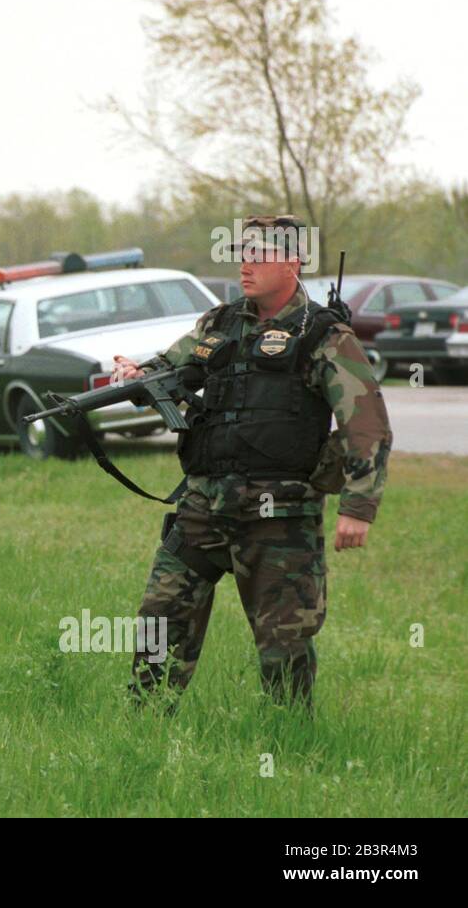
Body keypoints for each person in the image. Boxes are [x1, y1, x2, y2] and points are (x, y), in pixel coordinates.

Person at [112, 215, 391, 711]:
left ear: (292, 262)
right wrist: (137, 374)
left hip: (279, 517)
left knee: (283, 645)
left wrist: (358, 507)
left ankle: (287, 741)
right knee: (160, 618)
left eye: (259, 256)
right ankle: (145, 725)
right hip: (203, 507)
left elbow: (365, 423)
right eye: (241, 254)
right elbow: (172, 368)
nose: (246, 265)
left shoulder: (324, 335)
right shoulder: (220, 323)